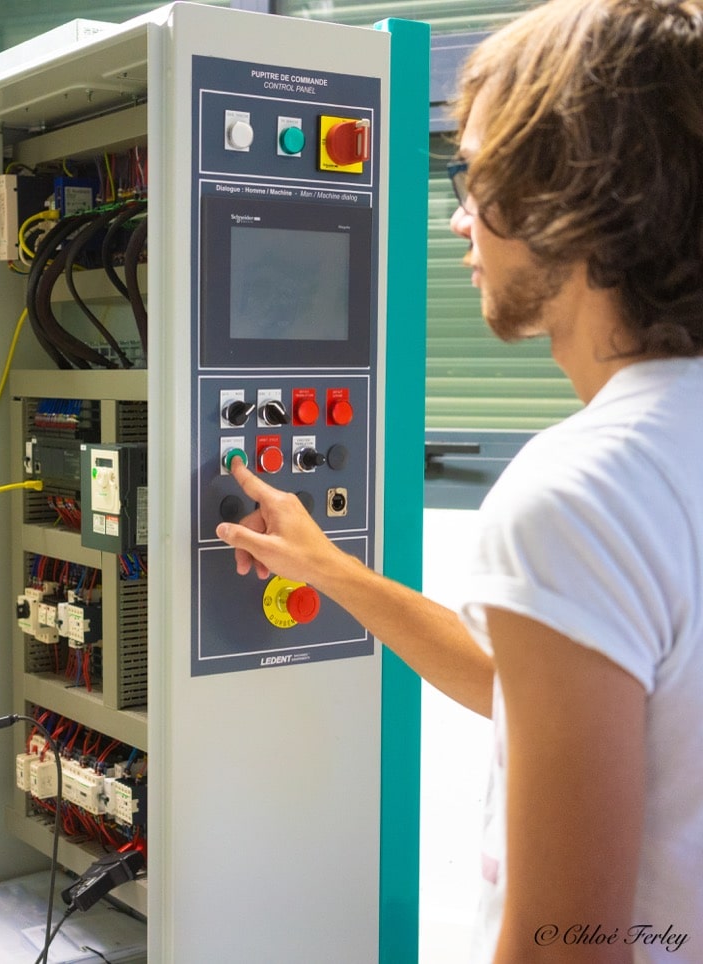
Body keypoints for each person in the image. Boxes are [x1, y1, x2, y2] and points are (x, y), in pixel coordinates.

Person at [216, 1, 703, 961]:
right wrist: (329, 570)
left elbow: (572, 943)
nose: (455, 217)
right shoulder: (665, 453)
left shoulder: (581, 491)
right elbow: (523, 688)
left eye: (473, 176)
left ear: (566, 196)